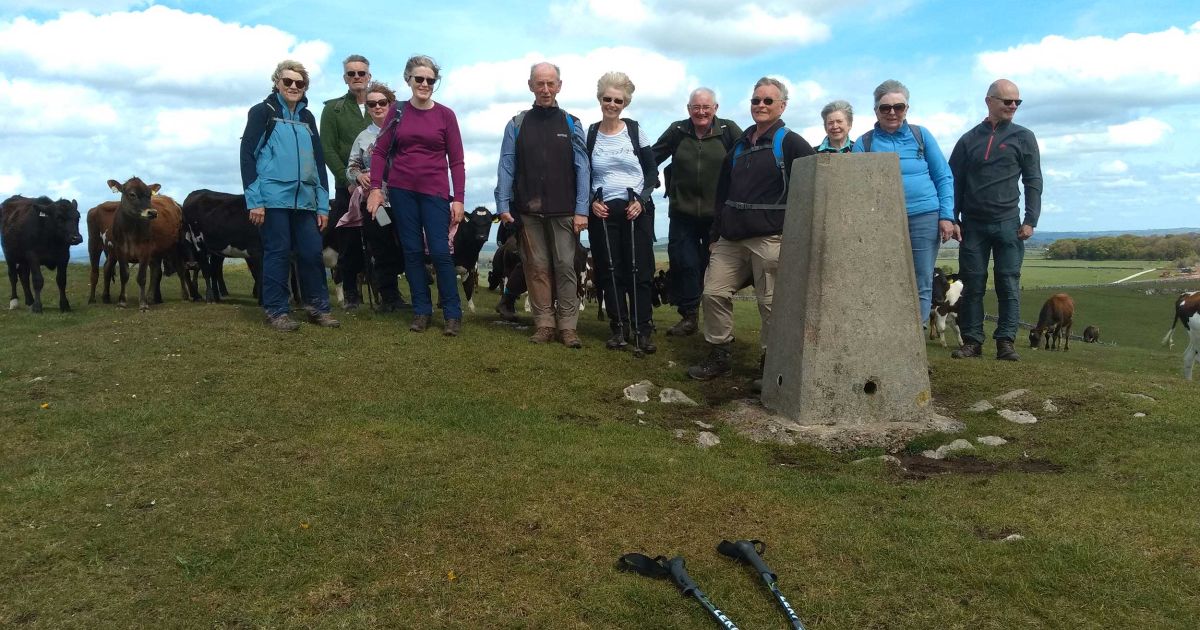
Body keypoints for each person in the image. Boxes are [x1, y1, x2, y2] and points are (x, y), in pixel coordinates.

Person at [687, 77, 815, 380]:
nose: (760, 105)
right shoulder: (740, 146)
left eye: (768, 101)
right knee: (713, 292)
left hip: (771, 237)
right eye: (756, 100)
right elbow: (722, 194)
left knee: (771, 303)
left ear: (782, 105)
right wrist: (715, 235)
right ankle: (719, 353)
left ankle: (773, 364)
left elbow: (813, 186)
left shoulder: (792, 143)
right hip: (730, 238)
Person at [367, 55, 466, 336]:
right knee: (411, 252)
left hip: (435, 193)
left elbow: (456, 161)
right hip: (401, 192)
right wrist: (376, 188)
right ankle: (421, 311)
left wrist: (458, 198)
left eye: (430, 80)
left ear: (435, 82)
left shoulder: (446, 115)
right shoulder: (396, 112)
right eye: (418, 78)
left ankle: (452, 313)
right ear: (408, 79)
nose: (424, 84)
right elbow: (379, 152)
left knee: (439, 252)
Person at [494, 61, 590, 348]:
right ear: (531, 86)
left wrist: (582, 209)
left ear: (559, 86)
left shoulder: (572, 122)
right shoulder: (517, 123)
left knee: (565, 266)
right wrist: (502, 203)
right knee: (535, 267)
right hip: (528, 209)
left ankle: (568, 327)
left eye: (551, 83)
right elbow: (507, 164)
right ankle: (544, 324)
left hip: (564, 209)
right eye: (540, 83)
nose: (545, 89)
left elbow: (582, 167)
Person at [239, 59, 339, 332]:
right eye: (288, 81)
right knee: (277, 253)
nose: (294, 86)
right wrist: (255, 200)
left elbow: (319, 163)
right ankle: (276, 310)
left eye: (299, 82)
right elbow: (247, 156)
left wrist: (322, 206)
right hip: (272, 199)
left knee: (311, 253)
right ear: (277, 82)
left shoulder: (307, 118)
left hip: (305, 200)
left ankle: (318, 307)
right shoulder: (263, 112)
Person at [948, 79, 1042, 361]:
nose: (1013, 106)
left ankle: (1006, 343)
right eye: (1007, 101)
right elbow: (953, 182)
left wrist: (1031, 219)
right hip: (973, 225)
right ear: (989, 101)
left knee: (1008, 283)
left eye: (1017, 102)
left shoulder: (1024, 137)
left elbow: (1033, 179)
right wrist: (952, 218)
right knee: (972, 284)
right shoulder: (968, 140)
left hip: (1009, 224)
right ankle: (972, 342)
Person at [851, 79, 954, 330]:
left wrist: (947, 215)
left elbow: (943, 175)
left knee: (921, 281)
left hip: (924, 216)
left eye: (899, 106)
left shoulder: (921, 135)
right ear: (876, 110)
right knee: (882, 278)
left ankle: (915, 344)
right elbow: (855, 189)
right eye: (885, 108)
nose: (892, 112)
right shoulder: (863, 144)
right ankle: (885, 337)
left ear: (907, 108)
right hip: (882, 221)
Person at [651, 88, 742, 337]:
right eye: (696, 108)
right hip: (683, 212)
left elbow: (746, 161)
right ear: (688, 109)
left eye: (706, 107)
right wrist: (649, 181)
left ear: (715, 108)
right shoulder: (678, 131)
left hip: (719, 214)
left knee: (715, 267)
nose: (701, 112)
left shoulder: (729, 131)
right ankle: (689, 317)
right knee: (684, 264)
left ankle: (717, 323)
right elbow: (651, 157)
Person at [586, 71, 660, 354]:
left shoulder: (635, 130)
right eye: (607, 99)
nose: (612, 105)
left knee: (639, 270)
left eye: (618, 100)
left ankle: (643, 329)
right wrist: (592, 200)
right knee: (609, 270)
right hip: (603, 211)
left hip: (635, 209)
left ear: (625, 103)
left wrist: (641, 199)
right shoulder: (591, 133)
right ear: (600, 99)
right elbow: (585, 174)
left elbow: (651, 171)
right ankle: (618, 328)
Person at [344, 81, 406, 312]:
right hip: (377, 205)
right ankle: (389, 298)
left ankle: (406, 294)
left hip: (405, 200)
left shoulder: (405, 129)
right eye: (372, 104)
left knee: (405, 247)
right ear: (367, 108)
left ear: (391, 104)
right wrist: (358, 176)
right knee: (381, 248)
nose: (378, 107)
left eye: (383, 102)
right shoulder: (362, 137)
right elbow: (350, 168)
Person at [320, 54, 372, 310]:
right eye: (351, 74)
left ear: (368, 76)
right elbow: (327, 148)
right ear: (345, 78)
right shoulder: (333, 109)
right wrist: (347, 179)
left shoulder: (385, 105)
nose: (356, 78)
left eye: (361, 73)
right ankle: (351, 293)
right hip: (348, 188)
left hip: (382, 189)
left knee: (382, 237)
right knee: (349, 240)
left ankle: (389, 292)